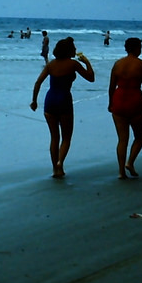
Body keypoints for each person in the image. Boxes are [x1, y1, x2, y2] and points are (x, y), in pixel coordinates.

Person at [31, 39, 95, 178]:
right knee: (66, 138)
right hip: (64, 100)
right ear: (68, 50)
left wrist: (34, 101)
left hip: (50, 100)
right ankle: (60, 162)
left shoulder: (51, 65)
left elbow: (38, 82)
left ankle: (56, 169)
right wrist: (87, 62)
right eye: (73, 47)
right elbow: (91, 78)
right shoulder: (73, 64)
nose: (75, 49)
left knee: (54, 137)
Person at [107, 37, 142, 179]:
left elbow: (111, 87)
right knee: (139, 137)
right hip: (134, 100)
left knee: (122, 139)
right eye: (140, 47)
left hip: (119, 98)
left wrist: (110, 103)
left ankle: (121, 171)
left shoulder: (118, 64)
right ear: (135, 48)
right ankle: (130, 162)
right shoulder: (141, 64)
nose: (141, 50)